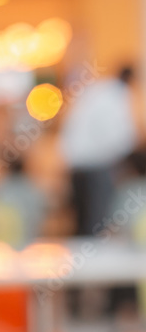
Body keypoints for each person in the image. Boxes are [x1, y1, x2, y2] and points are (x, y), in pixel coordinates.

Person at [60, 66, 139, 236]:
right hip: (96, 166)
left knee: (82, 220)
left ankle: (81, 258)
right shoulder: (116, 95)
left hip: (75, 163)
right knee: (97, 221)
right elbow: (119, 136)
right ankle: (93, 259)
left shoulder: (96, 91)